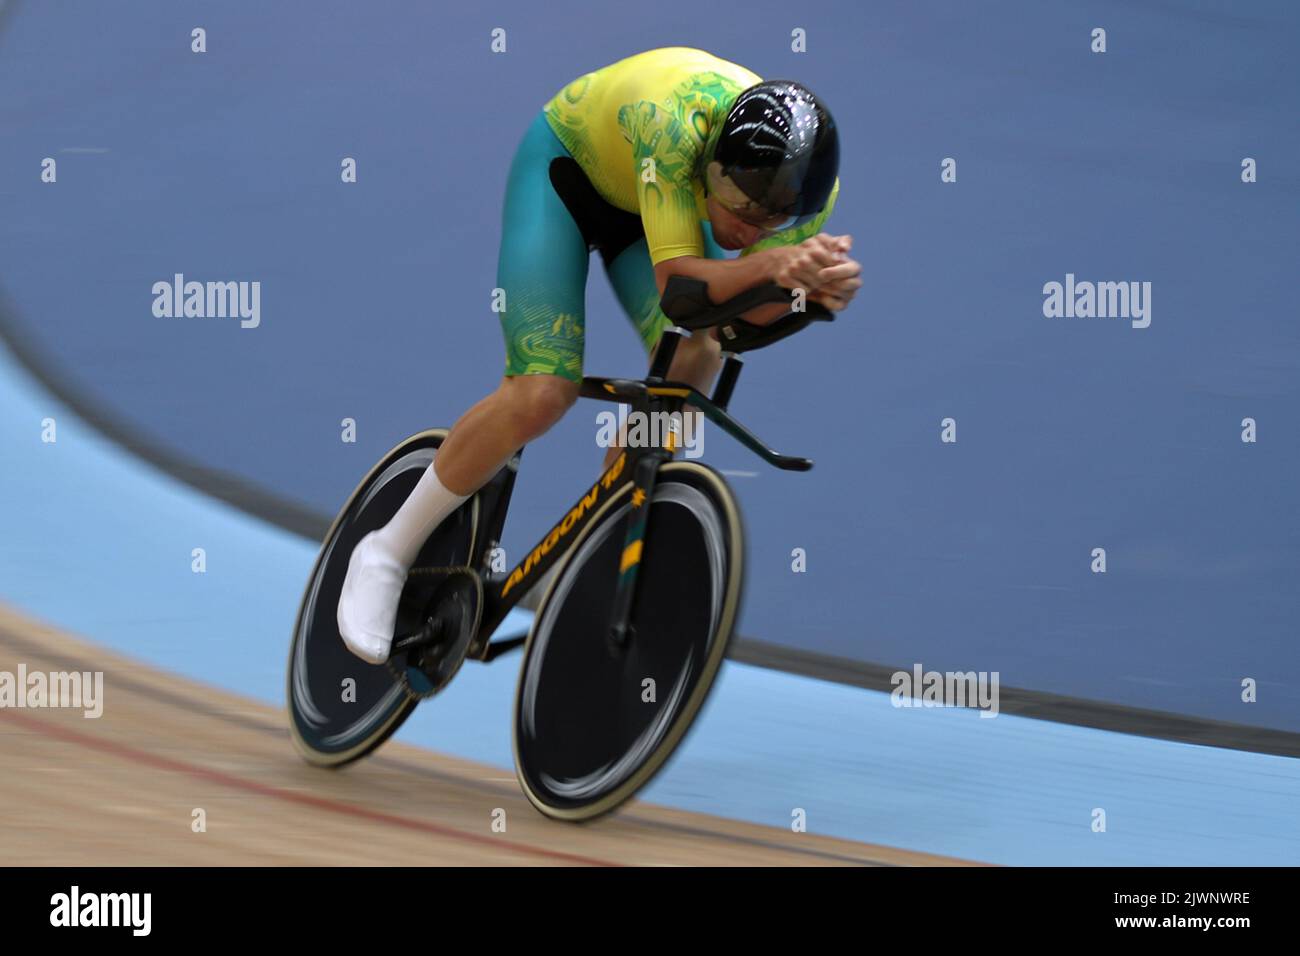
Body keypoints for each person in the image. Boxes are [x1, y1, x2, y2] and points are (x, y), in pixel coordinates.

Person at [337, 47, 862, 663]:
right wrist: (773, 268)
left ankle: (604, 530)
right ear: (714, 160)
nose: (747, 229)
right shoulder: (672, 128)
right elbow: (684, 294)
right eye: (736, 201)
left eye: (768, 221)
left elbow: (734, 326)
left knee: (697, 360)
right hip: (566, 179)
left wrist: (808, 299)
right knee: (542, 391)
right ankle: (386, 550)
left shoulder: (805, 202)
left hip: (656, 215)